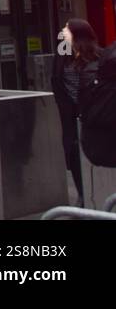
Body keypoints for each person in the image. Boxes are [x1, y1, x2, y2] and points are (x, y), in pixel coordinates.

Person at [50, 18, 102, 203]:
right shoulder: (61, 55)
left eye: (67, 28)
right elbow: (56, 82)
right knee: (72, 154)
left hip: (92, 116)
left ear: (77, 33)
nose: (63, 30)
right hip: (70, 116)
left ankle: (92, 195)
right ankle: (82, 194)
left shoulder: (98, 57)